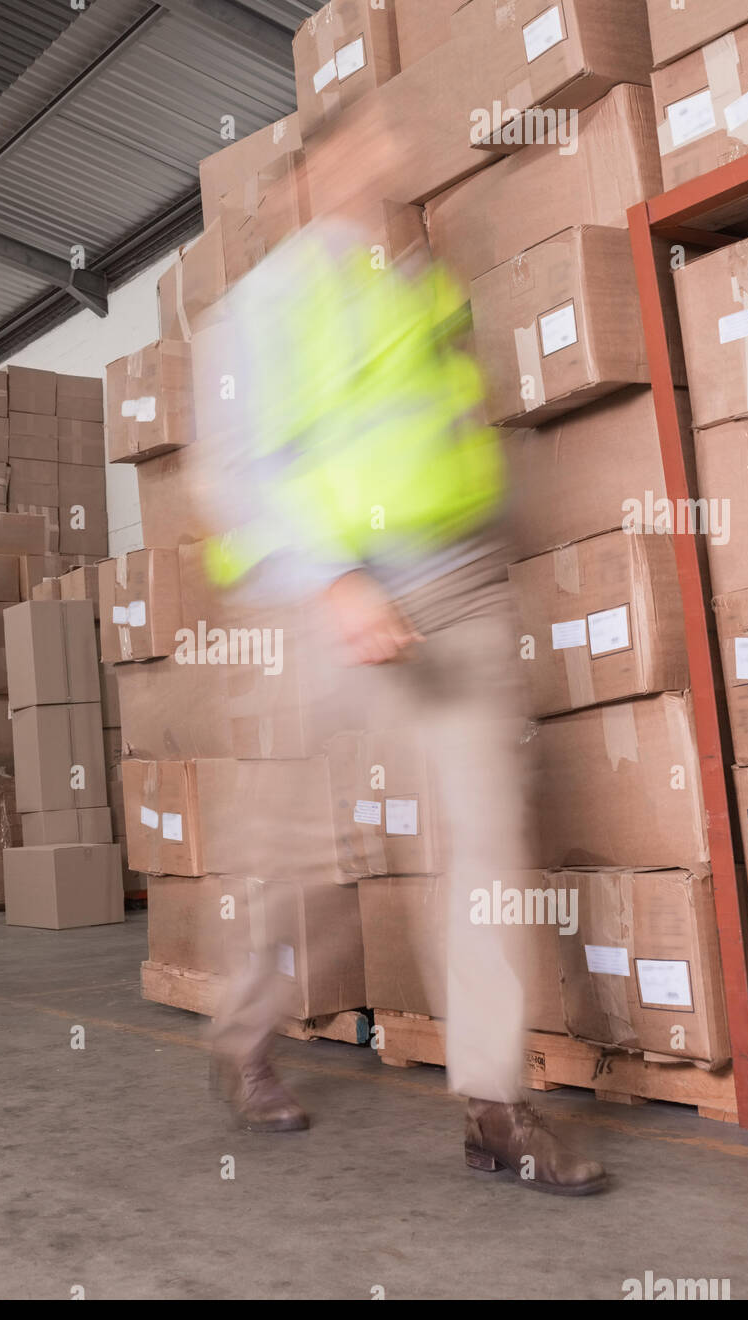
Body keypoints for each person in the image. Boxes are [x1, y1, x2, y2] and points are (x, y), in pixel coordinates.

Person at [198, 94, 607, 1197]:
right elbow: (235, 468)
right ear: (304, 180)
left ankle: (491, 1105)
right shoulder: (263, 306)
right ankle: (242, 1034)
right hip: (329, 590)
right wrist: (331, 577)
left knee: (482, 839)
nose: (387, 158)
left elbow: (447, 433)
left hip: (457, 584)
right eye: (361, 145)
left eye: (393, 139)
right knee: (301, 854)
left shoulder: (420, 288)